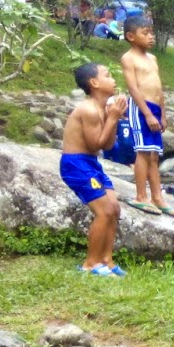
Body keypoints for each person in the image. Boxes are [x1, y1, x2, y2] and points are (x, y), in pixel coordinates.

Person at [60, 63, 129, 277]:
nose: (113, 80)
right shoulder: (88, 109)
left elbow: (107, 146)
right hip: (76, 164)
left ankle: (106, 260)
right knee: (104, 210)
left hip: (90, 163)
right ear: (94, 83)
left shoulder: (102, 108)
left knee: (114, 209)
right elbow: (94, 144)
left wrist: (113, 118)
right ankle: (89, 264)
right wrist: (114, 117)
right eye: (108, 75)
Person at [119, 16, 174, 217]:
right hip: (141, 108)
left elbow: (158, 88)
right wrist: (148, 114)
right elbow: (133, 88)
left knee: (154, 154)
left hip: (155, 108)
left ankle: (157, 197)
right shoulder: (128, 58)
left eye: (152, 33)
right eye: (146, 33)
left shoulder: (153, 59)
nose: (151, 37)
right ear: (131, 36)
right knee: (143, 151)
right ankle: (140, 196)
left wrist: (162, 114)